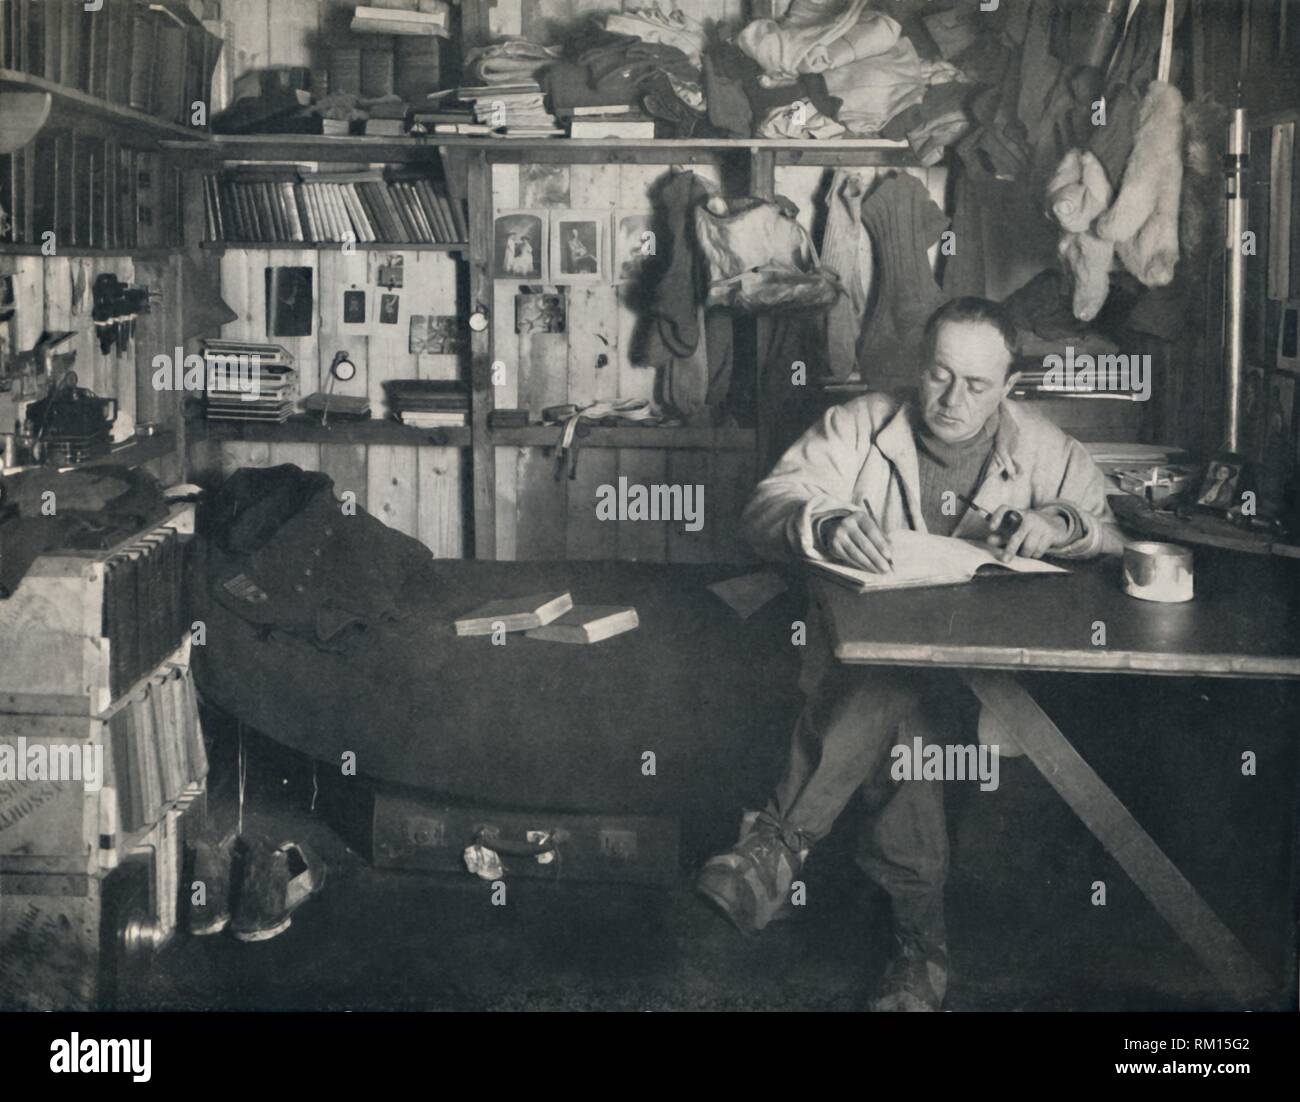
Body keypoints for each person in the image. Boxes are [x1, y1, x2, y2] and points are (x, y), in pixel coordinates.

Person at [697, 297, 1125, 1011]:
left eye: (978, 385)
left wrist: (1059, 522)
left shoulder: (1044, 446)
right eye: (939, 375)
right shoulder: (859, 424)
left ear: (1009, 386)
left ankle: (777, 846)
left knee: (900, 691)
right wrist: (822, 518)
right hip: (871, 672)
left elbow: (1107, 531)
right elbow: (766, 504)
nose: (954, 400)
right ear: (918, 365)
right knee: (904, 703)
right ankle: (918, 954)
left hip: (990, 681)